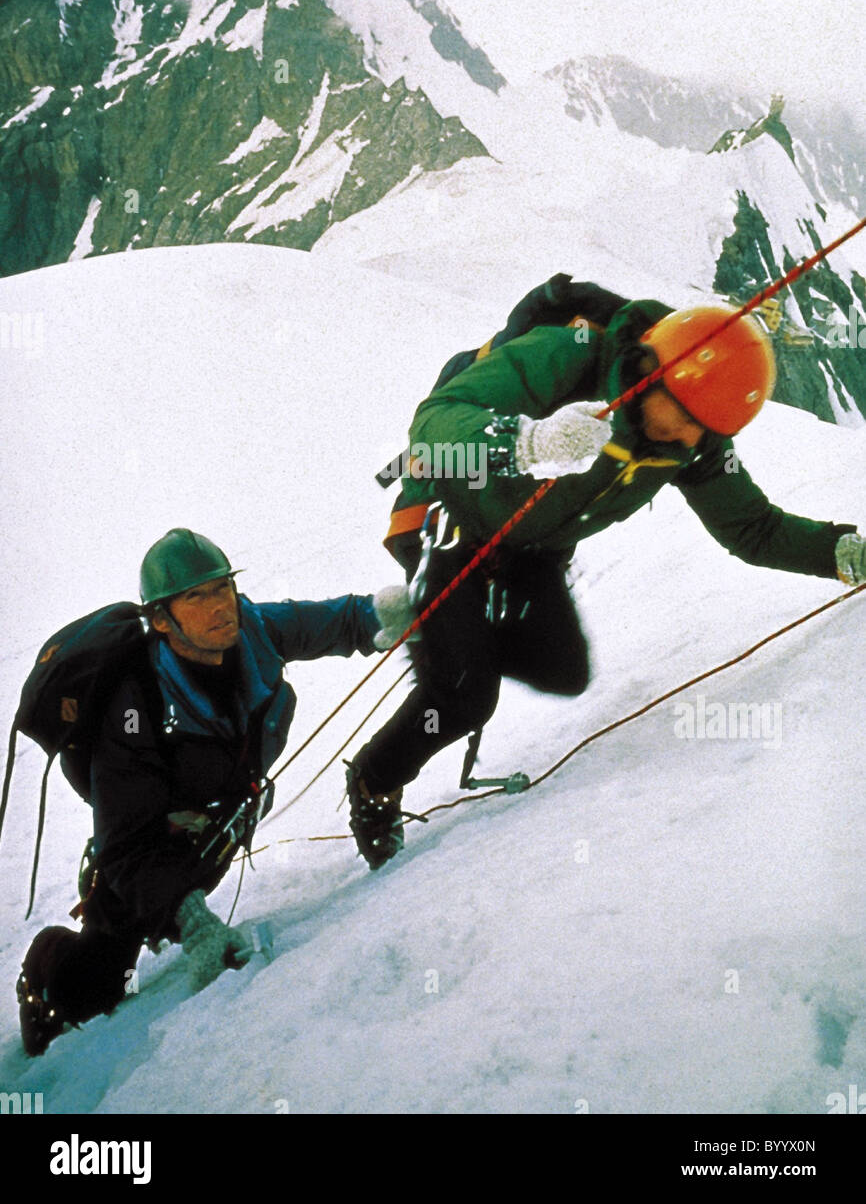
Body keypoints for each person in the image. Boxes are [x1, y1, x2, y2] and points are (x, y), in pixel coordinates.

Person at [346, 299, 866, 869]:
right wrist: (527, 441)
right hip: (450, 516)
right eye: (689, 419)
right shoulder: (571, 355)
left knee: (562, 671)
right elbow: (434, 428)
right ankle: (375, 780)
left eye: (708, 431)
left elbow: (751, 528)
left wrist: (840, 553)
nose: (692, 438)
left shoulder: (692, 438)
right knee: (467, 694)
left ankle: (441, 632)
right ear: (652, 372)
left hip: (531, 546)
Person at [16, 528, 412, 1055]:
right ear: (161, 619)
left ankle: (178, 900)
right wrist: (196, 923)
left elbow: (336, 621)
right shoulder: (133, 707)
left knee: (193, 874)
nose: (218, 606)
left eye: (221, 587)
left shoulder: (253, 630)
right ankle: (46, 971)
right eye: (194, 597)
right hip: (143, 852)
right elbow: (126, 845)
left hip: (216, 826)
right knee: (95, 988)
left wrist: (393, 614)